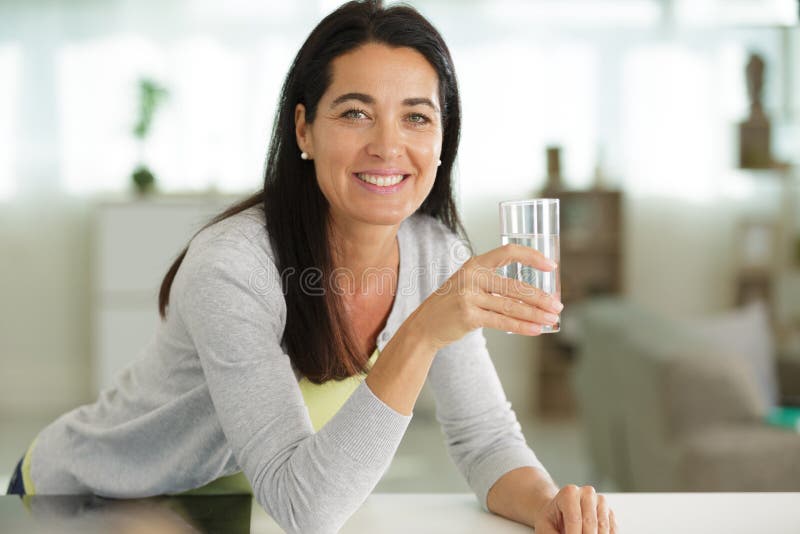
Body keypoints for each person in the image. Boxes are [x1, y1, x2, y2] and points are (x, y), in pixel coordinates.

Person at [7, 1, 617, 533]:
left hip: (237, 510)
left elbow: (484, 440)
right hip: (91, 500)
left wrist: (544, 504)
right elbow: (308, 509)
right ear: (304, 128)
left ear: (442, 137)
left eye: (416, 116)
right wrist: (424, 331)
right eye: (355, 112)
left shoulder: (435, 254)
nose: (387, 144)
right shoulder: (235, 266)